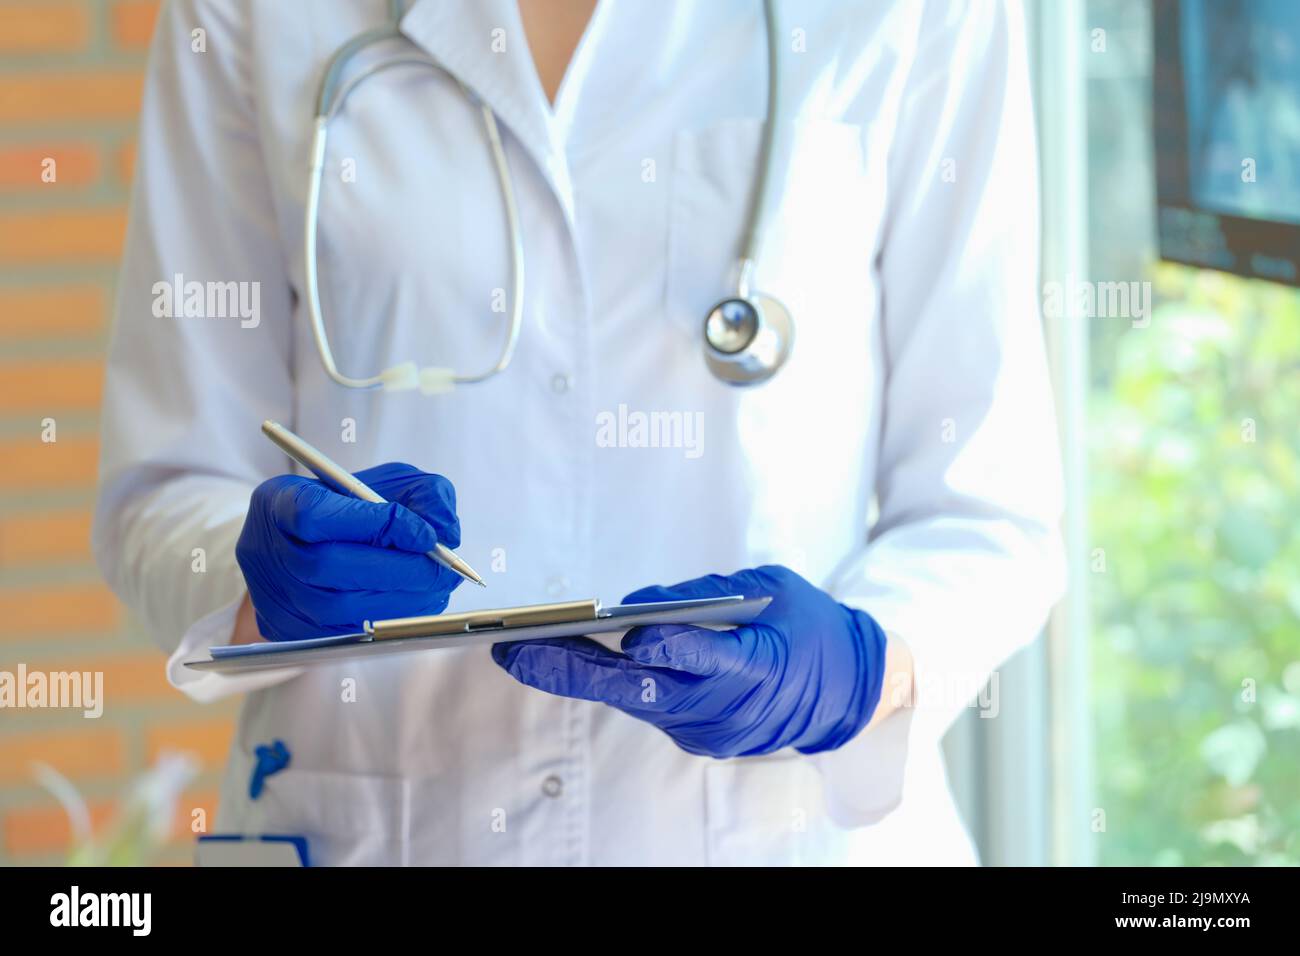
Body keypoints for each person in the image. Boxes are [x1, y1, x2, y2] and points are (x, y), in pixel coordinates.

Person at [93, 0, 1063, 866]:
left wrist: (860, 668)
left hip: (786, 831)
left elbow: (989, 508)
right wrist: (261, 575)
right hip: (381, 824)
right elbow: (164, 486)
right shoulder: (248, 16)